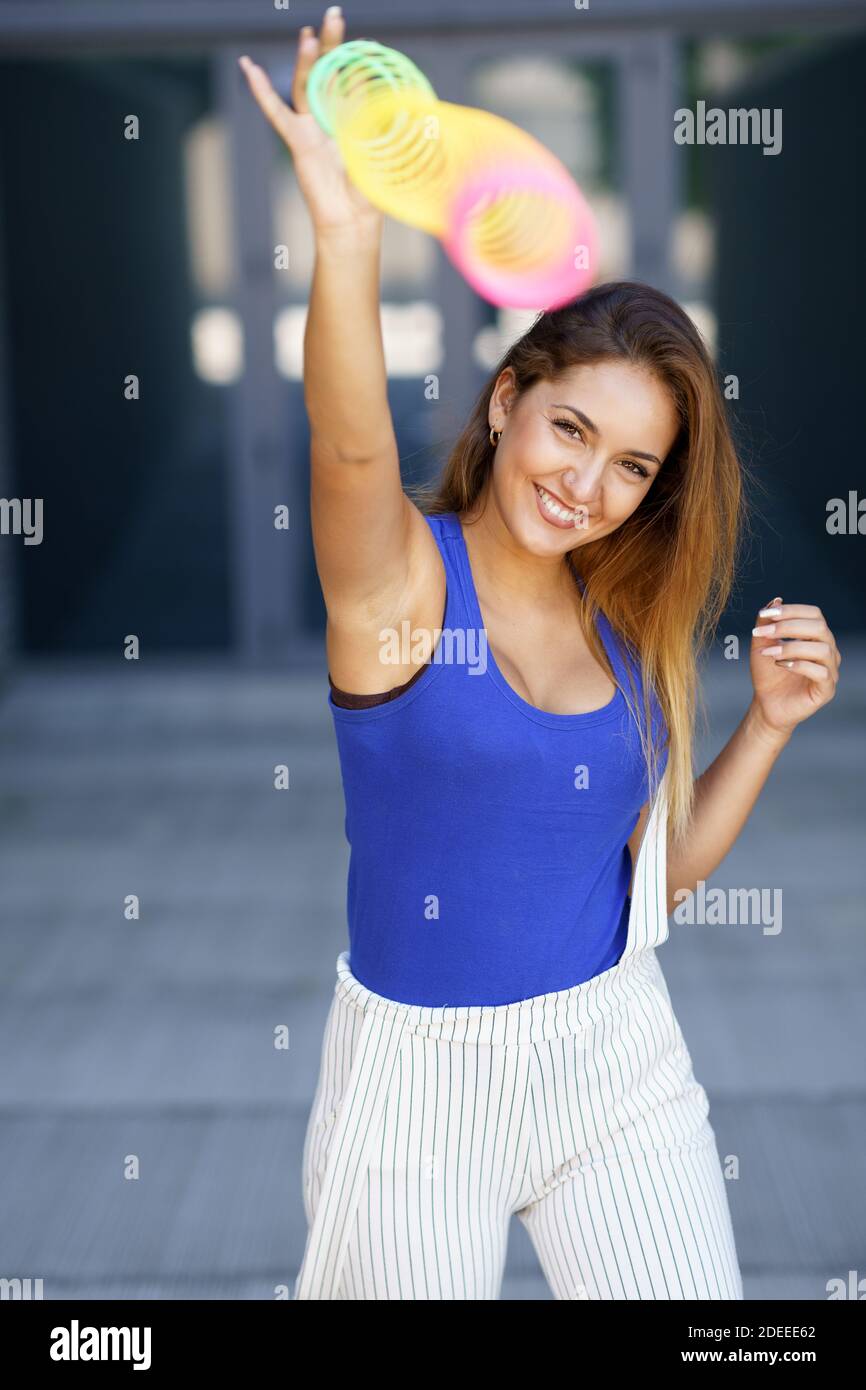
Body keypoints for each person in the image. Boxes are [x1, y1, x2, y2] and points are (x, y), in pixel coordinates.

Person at [239, 8, 841, 1301]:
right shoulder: (401, 587)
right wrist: (346, 238)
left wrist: (769, 724)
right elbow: (346, 450)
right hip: (415, 1089)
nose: (587, 484)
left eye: (631, 465)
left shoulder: (626, 625)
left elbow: (646, 881)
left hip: (611, 1058)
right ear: (508, 398)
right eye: (569, 429)